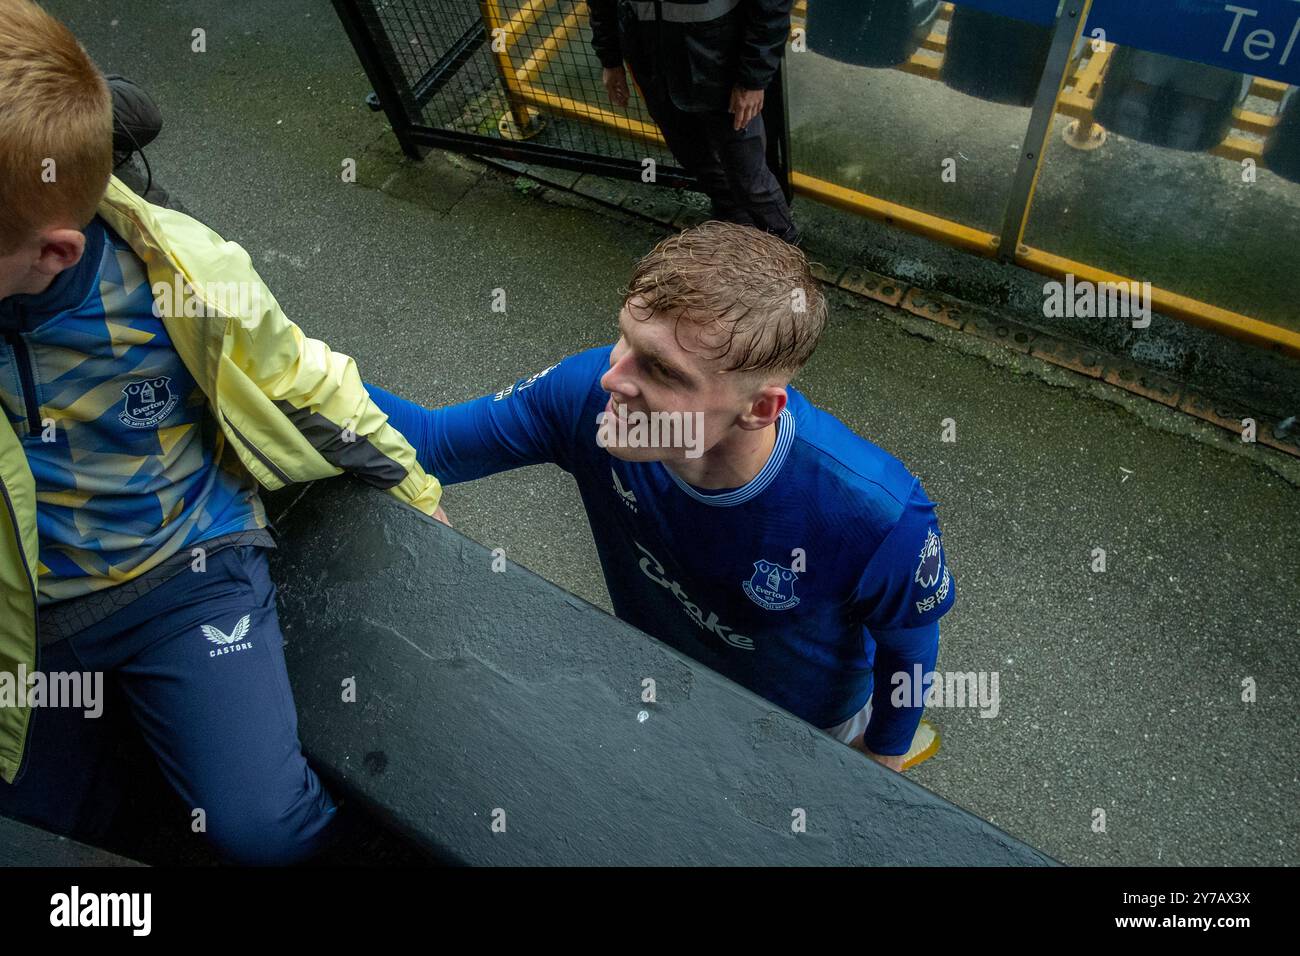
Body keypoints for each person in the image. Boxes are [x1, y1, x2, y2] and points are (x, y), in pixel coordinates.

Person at [0, 0, 446, 864]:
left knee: (261, 831)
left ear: (51, 254)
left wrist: (416, 492)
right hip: (25, 609)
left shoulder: (183, 280)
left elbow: (305, 383)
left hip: (184, 572)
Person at [365, 221, 952, 770]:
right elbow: (427, 443)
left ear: (760, 408)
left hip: (806, 731)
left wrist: (885, 756)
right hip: (662, 682)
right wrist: (282, 364)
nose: (613, 379)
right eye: (624, 339)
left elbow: (910, 642)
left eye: (661, 371)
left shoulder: (875, 513)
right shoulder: (586, 399)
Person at [589, 0, 799, 243]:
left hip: (722, 65)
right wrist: (610, 58)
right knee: (698, 160)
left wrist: (753, 79)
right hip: (654, 63)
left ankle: (786, 255)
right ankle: (737, 230)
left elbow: (772, 5)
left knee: (749, 177)